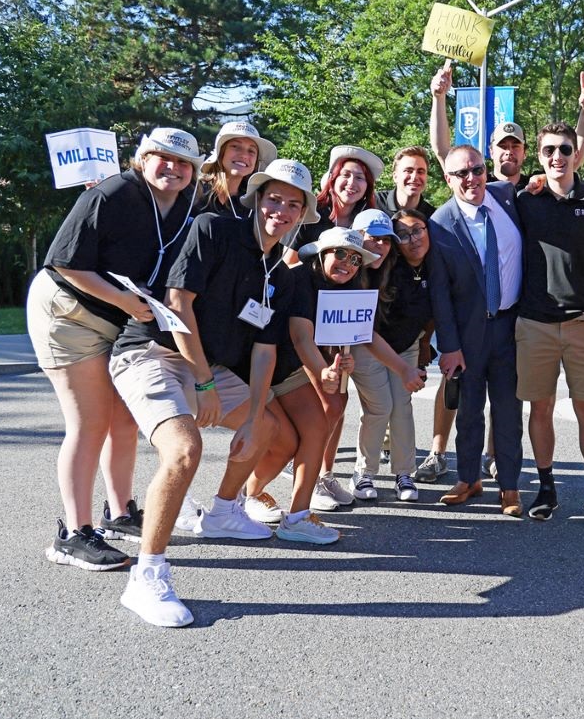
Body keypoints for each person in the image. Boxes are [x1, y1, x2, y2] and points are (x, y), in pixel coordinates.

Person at [108, 155, 305, 626]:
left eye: (292, 204)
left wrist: (255, 413)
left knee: (270, 429)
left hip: (208, 367)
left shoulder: (279, 269)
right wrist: (204, 381)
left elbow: (263, 351)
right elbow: (177, 303)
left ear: (302, 214)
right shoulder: (214, 229)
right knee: (184, 450)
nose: (281, 209)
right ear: (257, 200)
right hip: (151, 354)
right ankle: (147, 577)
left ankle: (222, 512)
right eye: (273, 198)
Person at [27, 127, 203, 571]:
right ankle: (72, 534)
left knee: (124, 419)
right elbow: (65, 263)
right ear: (142, 159)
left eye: (184, 163)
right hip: (70, 312)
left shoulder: (183, 206)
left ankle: (120, 512)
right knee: (90, 422)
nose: (173, 168)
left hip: (118, 321)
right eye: (163, 157)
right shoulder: (113, 193)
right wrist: (127, 301)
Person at [512, 120, 584, 524]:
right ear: (538, 156)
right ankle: (546, 488)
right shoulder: (525, 197)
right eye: (548, 151)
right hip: (534, 323)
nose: (556, 157)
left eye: (564, 149)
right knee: (539, 411)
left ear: (577, 153)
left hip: (583, 324)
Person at [244, 227, 375, 529]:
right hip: (256, 364)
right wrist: (323, 371)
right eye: (340, 253)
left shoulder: (349, 286)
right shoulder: (298, 278)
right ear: (321, 254)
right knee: (284, 441)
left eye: (356, 258)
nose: (348, 262)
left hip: (288, 369)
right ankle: (243, 496)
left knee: (317, 429)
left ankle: (298, 517)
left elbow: (350, 334)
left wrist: (339, 365)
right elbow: (301, 336)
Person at [427, 144, 525, 517]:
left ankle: (510, 487)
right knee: (469, 410)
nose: (472, 179)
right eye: (462, 173)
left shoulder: (506, 195)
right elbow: (439, 293)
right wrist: (448, 347)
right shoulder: (439, 224)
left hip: (510, 327)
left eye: (477, 170)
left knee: (508, 410)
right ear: (448, 178)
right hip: (467, 335)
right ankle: (468, 478)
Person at [346, 209, 429, 501]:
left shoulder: (399, 266)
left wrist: (421, 348)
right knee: (380, 407)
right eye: (373, 239)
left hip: (403, 347)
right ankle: (363, 473)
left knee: (401, 408)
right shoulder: (350, 269)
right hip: (365, 345)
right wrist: (403, 369)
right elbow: (365, 332)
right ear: (358, 238)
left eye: (385, 240)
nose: (379, 246)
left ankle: (404, 474)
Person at [428, 61, 584, 188]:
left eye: (515, 146)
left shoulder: (536, 186)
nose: (509, 152)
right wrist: (439, 97)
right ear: (490, 151)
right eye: (502, 146)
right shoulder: (478, 184)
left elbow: (573, 159)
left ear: (525, 152)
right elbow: (442, 151)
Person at [285, 144, 385, 255]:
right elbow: (288, 262)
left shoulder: (369, 221)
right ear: (333, 180)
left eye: (359, 177)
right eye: (346, 175)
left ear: (368, 186)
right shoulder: (309, 213)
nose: (351, 183)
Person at [195, 121, 277, 218]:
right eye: (235, 146)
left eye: (251, 151)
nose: (244, 155)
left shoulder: (254, 204)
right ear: (221, 152)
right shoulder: (195, 192)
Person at [376, 146, 436, 219]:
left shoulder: (433, 218)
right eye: (408, 171)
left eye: (420, 172)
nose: (414, 177)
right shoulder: (373, 203)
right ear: (395, 176)